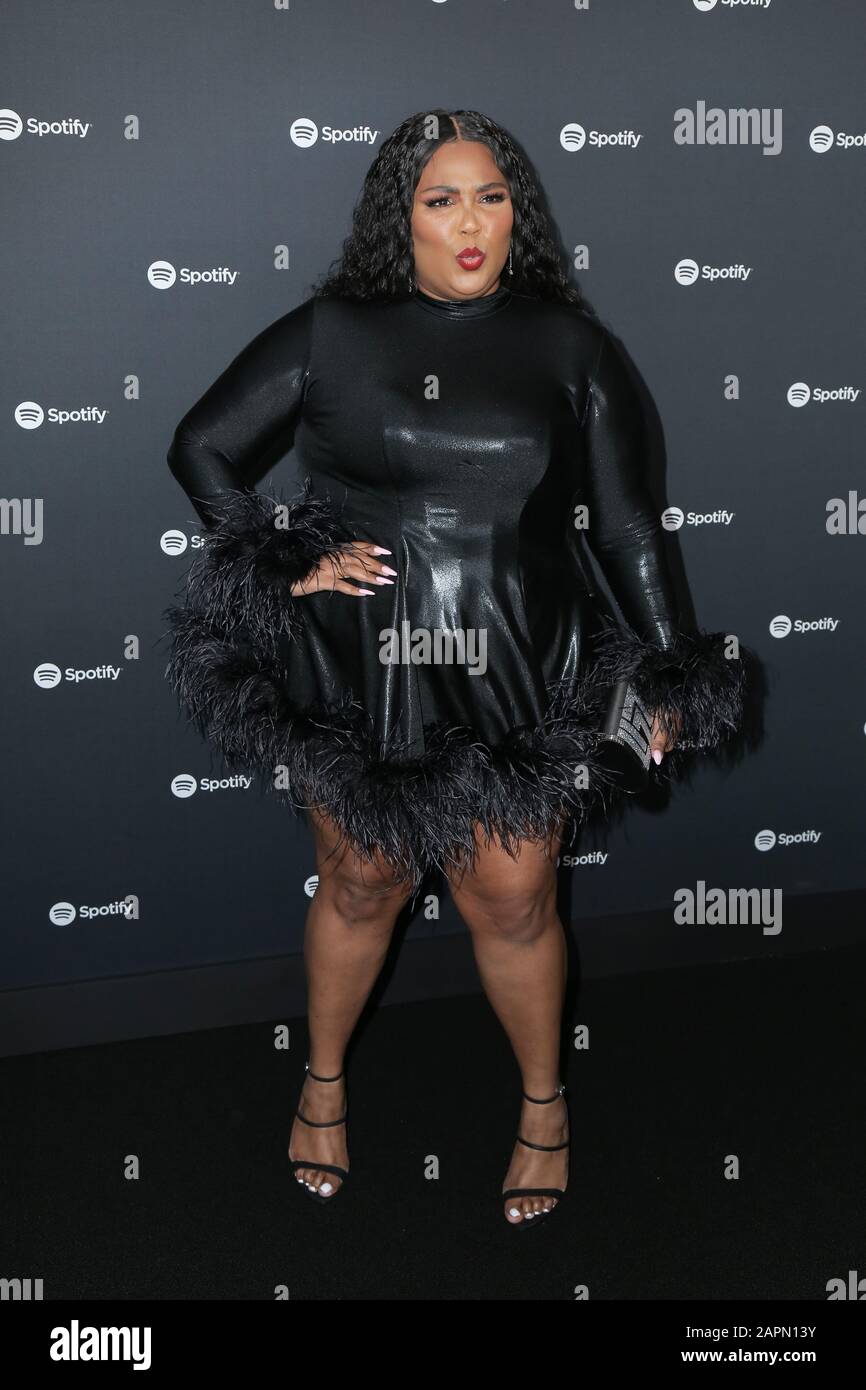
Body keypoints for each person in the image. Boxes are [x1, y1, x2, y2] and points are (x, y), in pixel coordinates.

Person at [162, 108, 747, 1228]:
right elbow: (199, 443)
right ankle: (322, 1085)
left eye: (490, 196)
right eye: (440, 199)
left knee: (515, 900)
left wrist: (669, 668)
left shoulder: (569, 348)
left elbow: (625, 526)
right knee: (359, 883)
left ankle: (542, 1107)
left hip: (523, 671)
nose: (469, 222)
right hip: (363, 676)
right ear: (402, 216)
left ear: (516, 212)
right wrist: (283, 560)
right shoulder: (333, 331)